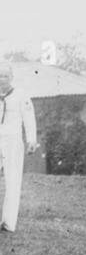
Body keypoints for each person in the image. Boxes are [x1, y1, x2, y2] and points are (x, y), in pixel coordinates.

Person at [0, 62, 38, 232]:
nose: (2, 79)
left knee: (12, 180)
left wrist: (31, 140)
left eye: (5, 76)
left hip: (12, 140)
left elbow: (29, 119)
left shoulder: (21, 95)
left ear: (11, 78)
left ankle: (8, 223)